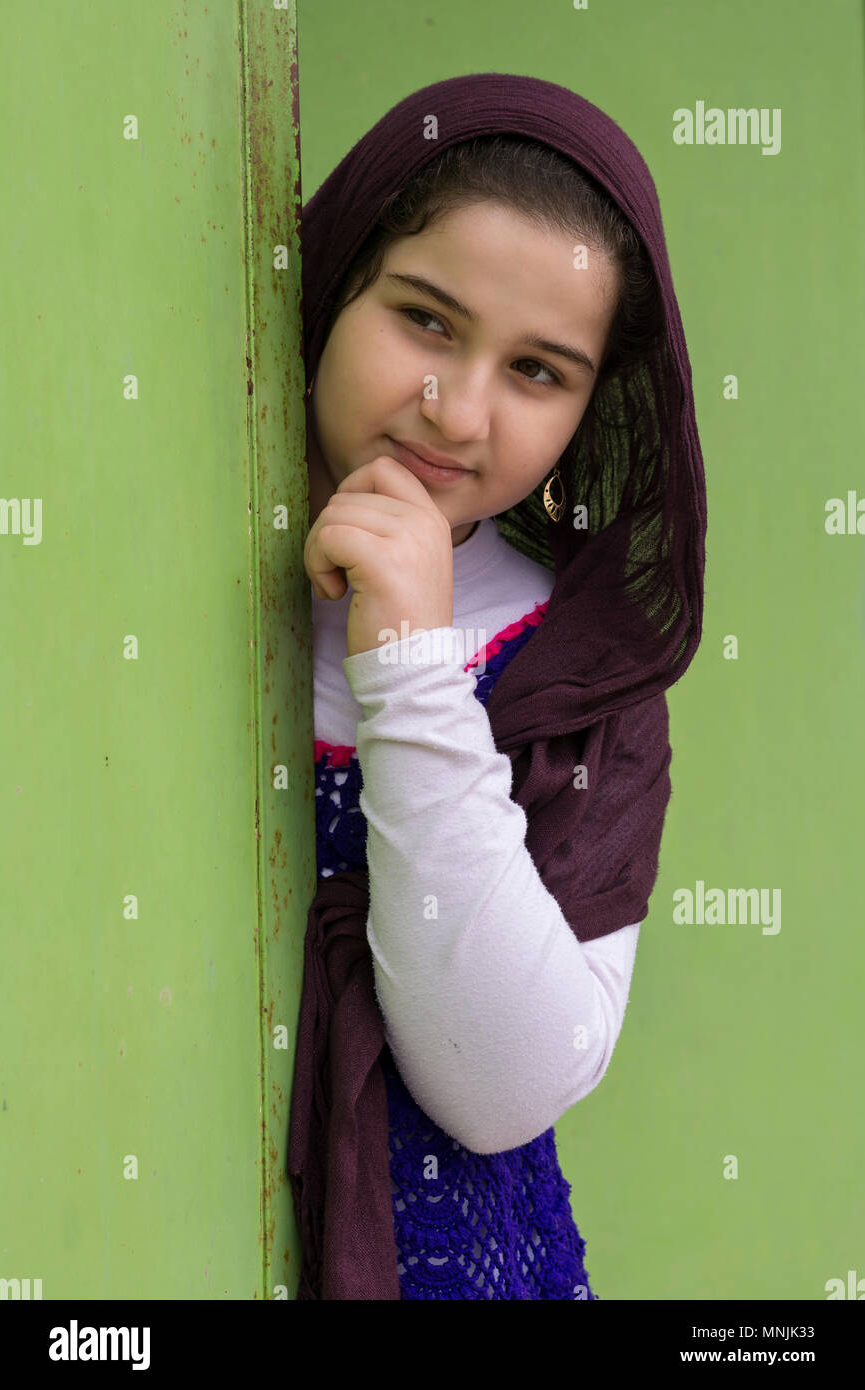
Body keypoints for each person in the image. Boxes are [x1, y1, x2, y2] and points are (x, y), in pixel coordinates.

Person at [288, 72, 706, 1301]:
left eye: (535, 372)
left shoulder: (580, 676)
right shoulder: (137, 585)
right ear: (331, 284)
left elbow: (502, 1086)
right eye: (422, 319)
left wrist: (409, 664)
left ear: (590, 407)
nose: (455, 411)